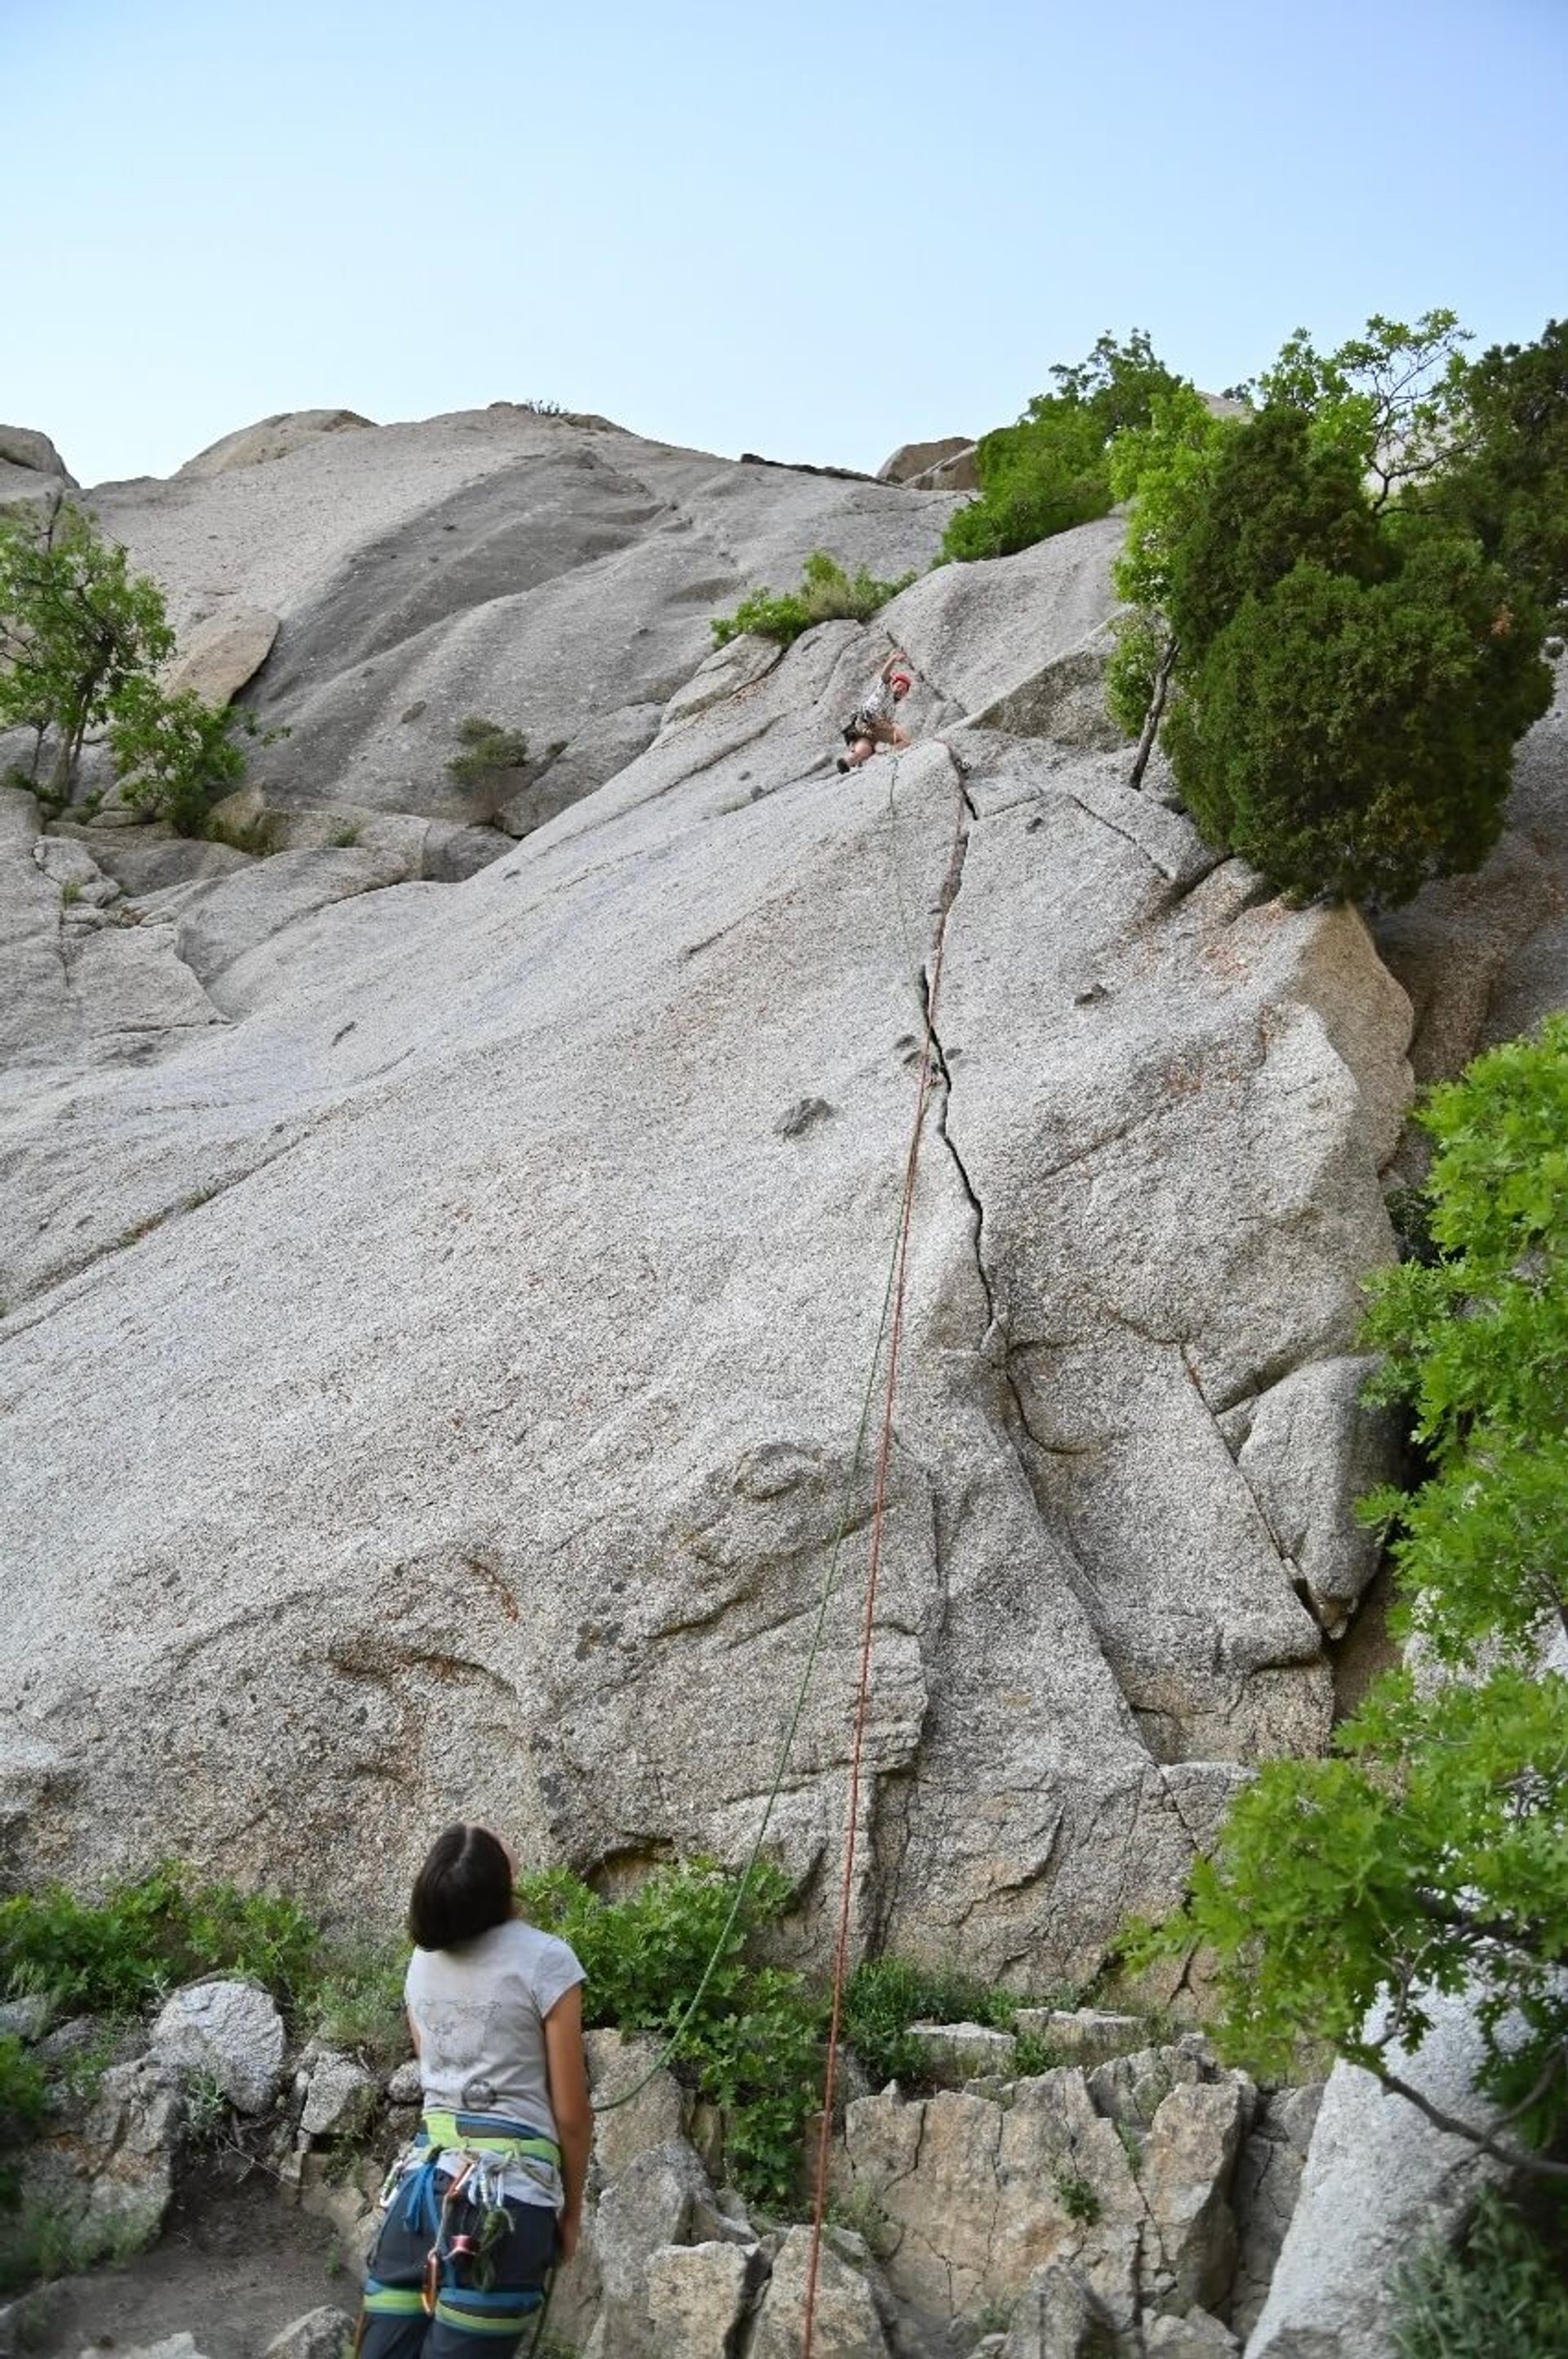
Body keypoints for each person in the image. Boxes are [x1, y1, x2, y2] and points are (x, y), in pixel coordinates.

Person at [355, 1825, 590, 2357]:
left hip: (420, 2194)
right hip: (505, 2204)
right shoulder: (547, 1960)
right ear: (499, 1882)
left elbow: (434, 2067)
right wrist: (570, 2215)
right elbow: (572, 2114)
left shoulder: (421, 1962)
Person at [837, 649, 914, 772]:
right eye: (899, 686)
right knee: (903, 740)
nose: (900, 690)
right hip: (871, 721)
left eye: (904, 690)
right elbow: (885, 675)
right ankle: (900, 761)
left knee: (864, 750)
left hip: (865, 727)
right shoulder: (885, 691)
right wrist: (893, 659)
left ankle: (846, 762)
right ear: (893, 684)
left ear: (904, 695)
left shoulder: (892, 707)